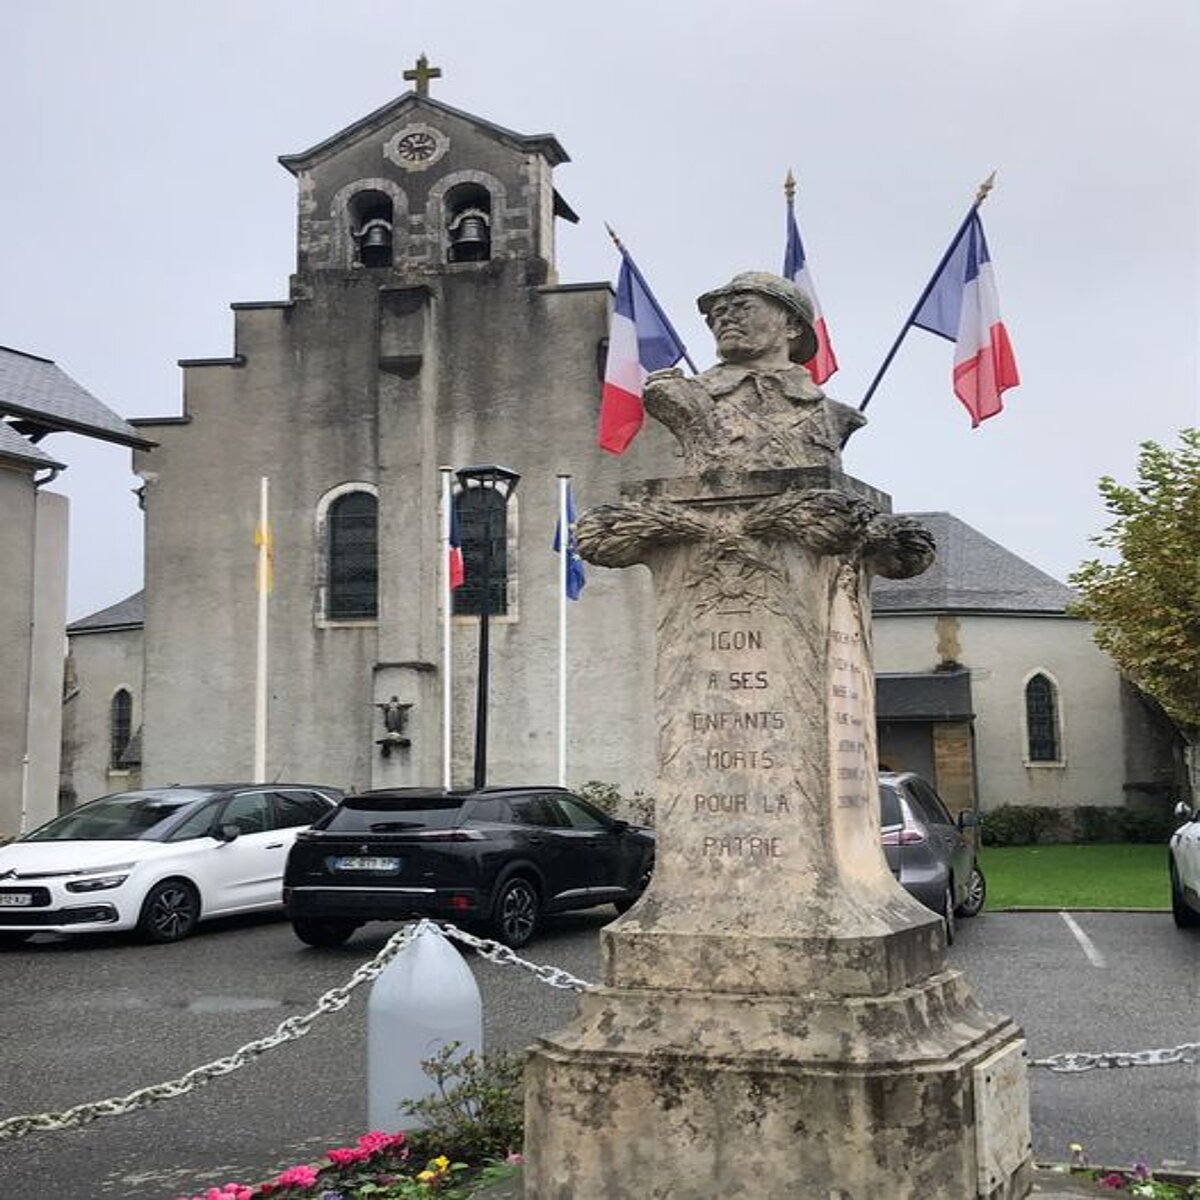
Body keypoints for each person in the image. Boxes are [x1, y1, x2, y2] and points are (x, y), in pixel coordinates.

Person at [644, 271, 865, 473]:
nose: (726, 318)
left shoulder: (836, 414)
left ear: (792, 327)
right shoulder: (682, 393)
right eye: (719, 312)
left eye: (743, 307)